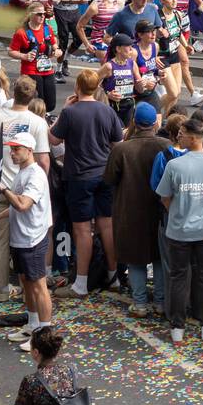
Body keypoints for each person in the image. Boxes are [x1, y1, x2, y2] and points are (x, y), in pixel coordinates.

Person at [0, 77, 51, 297]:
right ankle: (28, 286)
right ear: (33, 96)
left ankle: (3, 288)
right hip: (26, 187)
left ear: (14, 93)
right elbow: (43, 160)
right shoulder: (37, 122)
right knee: (30, 236)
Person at [51, 69, 125, 299]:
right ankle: (114, 276)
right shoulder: (107, 111)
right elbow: (118, 142)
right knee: (107, 226)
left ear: (77, 88)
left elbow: (53, 139)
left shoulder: (70, 113)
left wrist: (64, 108)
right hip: (104, 175)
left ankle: (81, 282)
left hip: (78, 176)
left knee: (82, 229)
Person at [157, 115, 203, 343]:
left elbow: (164, 197)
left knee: (178, 277)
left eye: (182, 134)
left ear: (194, 138)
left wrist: (178, 209)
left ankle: (177, 327)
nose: (179, 137)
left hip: (178, 230)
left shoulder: (174, 165)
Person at [103, 102, 170, 317]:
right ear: (154, 123)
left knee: (135, 258)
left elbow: (109, 179)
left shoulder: (122, 148)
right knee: (159, 257)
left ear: (134, 122)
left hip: (129, 211)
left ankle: (140, 303)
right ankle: (160, 302)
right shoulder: (166, 146)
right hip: (160, 210)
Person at [0, 135, 54, 351]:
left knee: (38, 285)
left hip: (32, 237)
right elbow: (16, 206)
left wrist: (4, 190)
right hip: (21, 237)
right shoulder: (23, 172)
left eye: (17, 149)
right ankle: (32, 325)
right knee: (26, 282)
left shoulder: (36, 175)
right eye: (11, 149)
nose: (12, 153)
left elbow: (22, 204)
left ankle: (44, 334)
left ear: (30, 149)